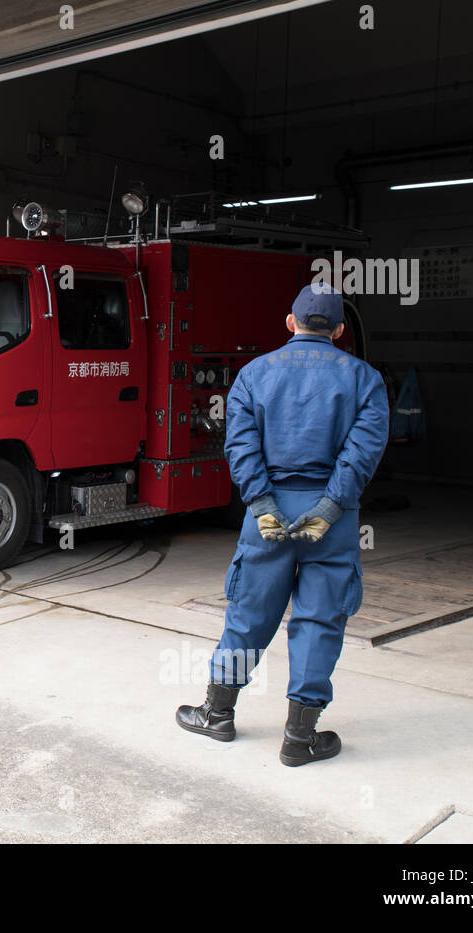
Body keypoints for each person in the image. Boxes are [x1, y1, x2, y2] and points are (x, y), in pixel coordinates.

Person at [176, 282, 389, 766]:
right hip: (330, 523)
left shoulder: (254, 374)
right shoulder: (364, 379)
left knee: (248, 615)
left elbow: (242, 447)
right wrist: (331, 509)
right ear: (338, 330)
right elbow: (363, 452)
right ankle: (299, 739)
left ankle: (217, 714)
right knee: (320, 620)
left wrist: (261, 503)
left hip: (266, 516)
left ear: (290, 323)